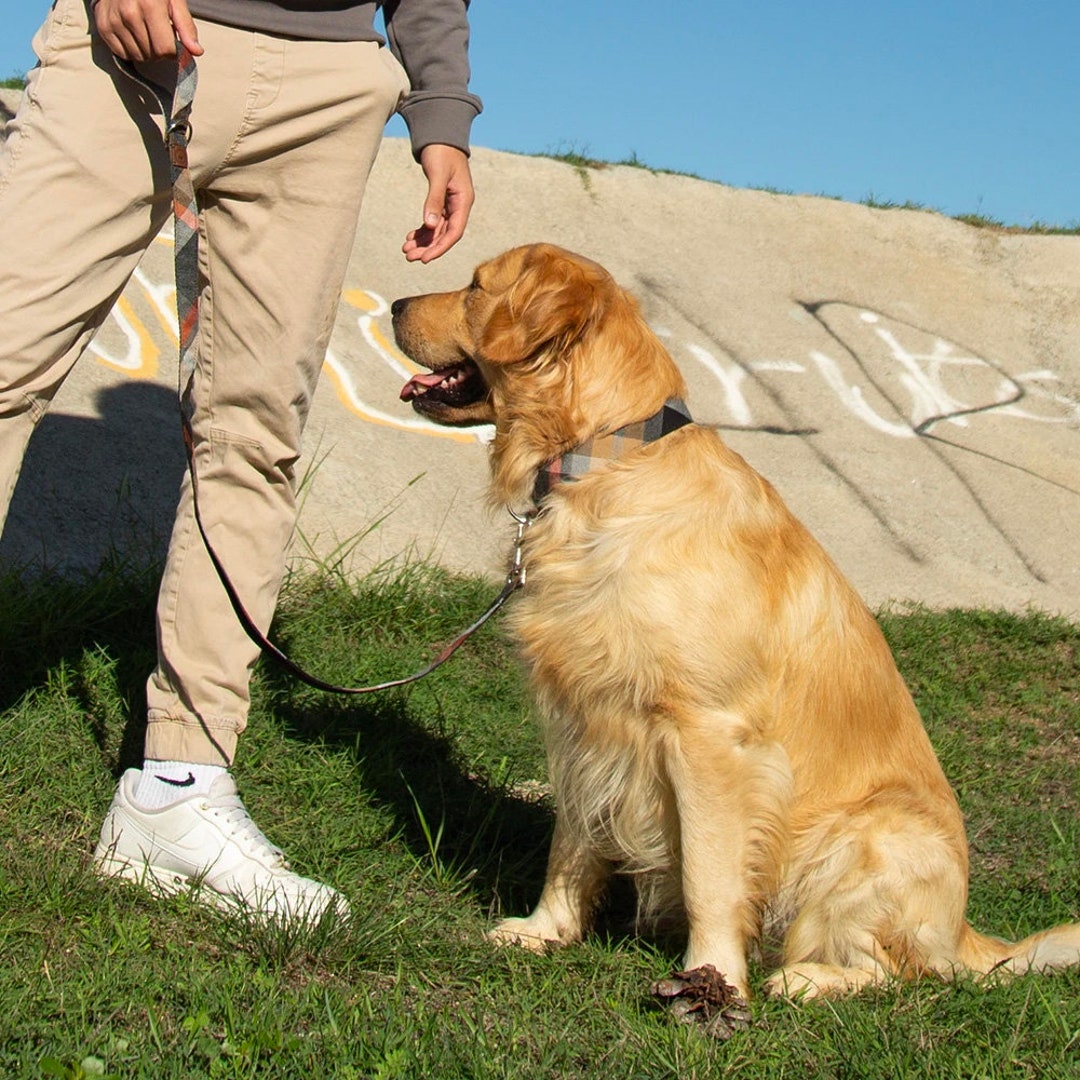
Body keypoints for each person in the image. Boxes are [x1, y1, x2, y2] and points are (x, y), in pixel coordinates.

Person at [0, 0, 481, 921]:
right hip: (135, 45)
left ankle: (178, 792)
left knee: (254, 439)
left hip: (331, 86)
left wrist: (442, 110)